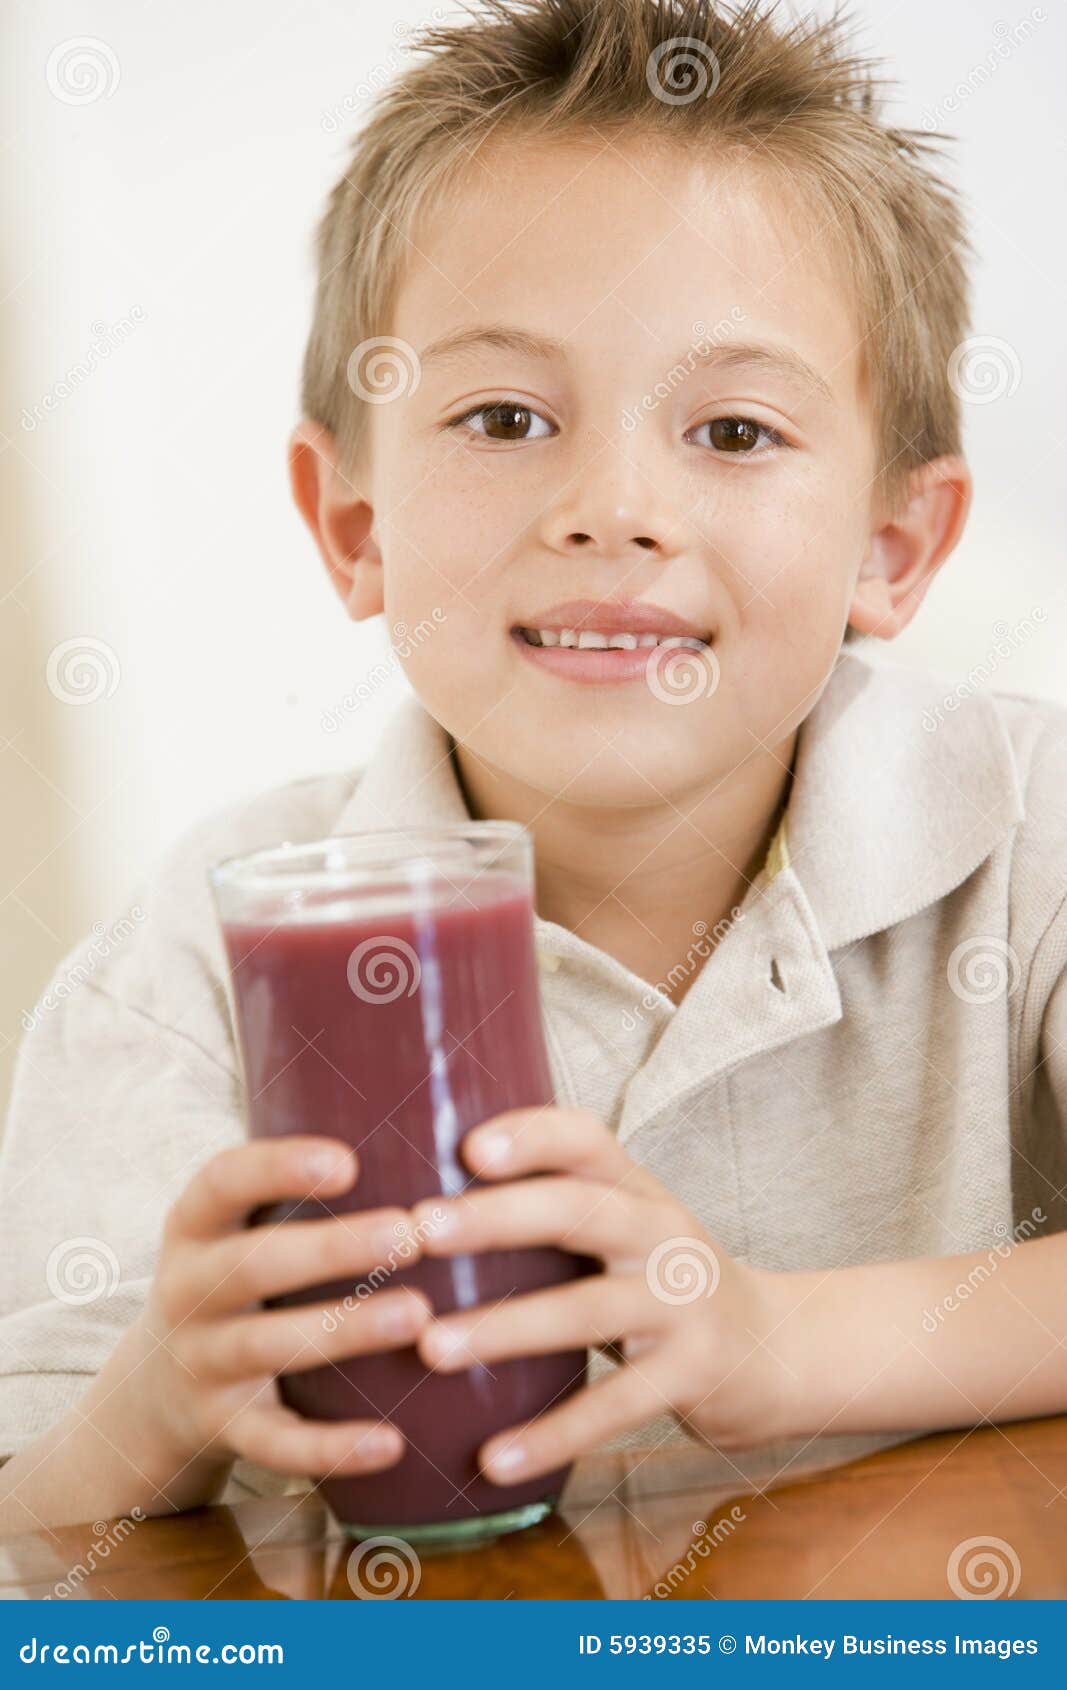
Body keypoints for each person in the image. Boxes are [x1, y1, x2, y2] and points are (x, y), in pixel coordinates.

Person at [2, 0, 1065, 1534]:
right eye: (505, 415)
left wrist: (775, 1342)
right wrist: (148, 1408)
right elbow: (33, 1519)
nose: (615, 507)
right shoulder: (191, 965)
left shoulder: (1033, 844)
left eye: (735, 428)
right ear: (352, 525)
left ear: (892, 548)